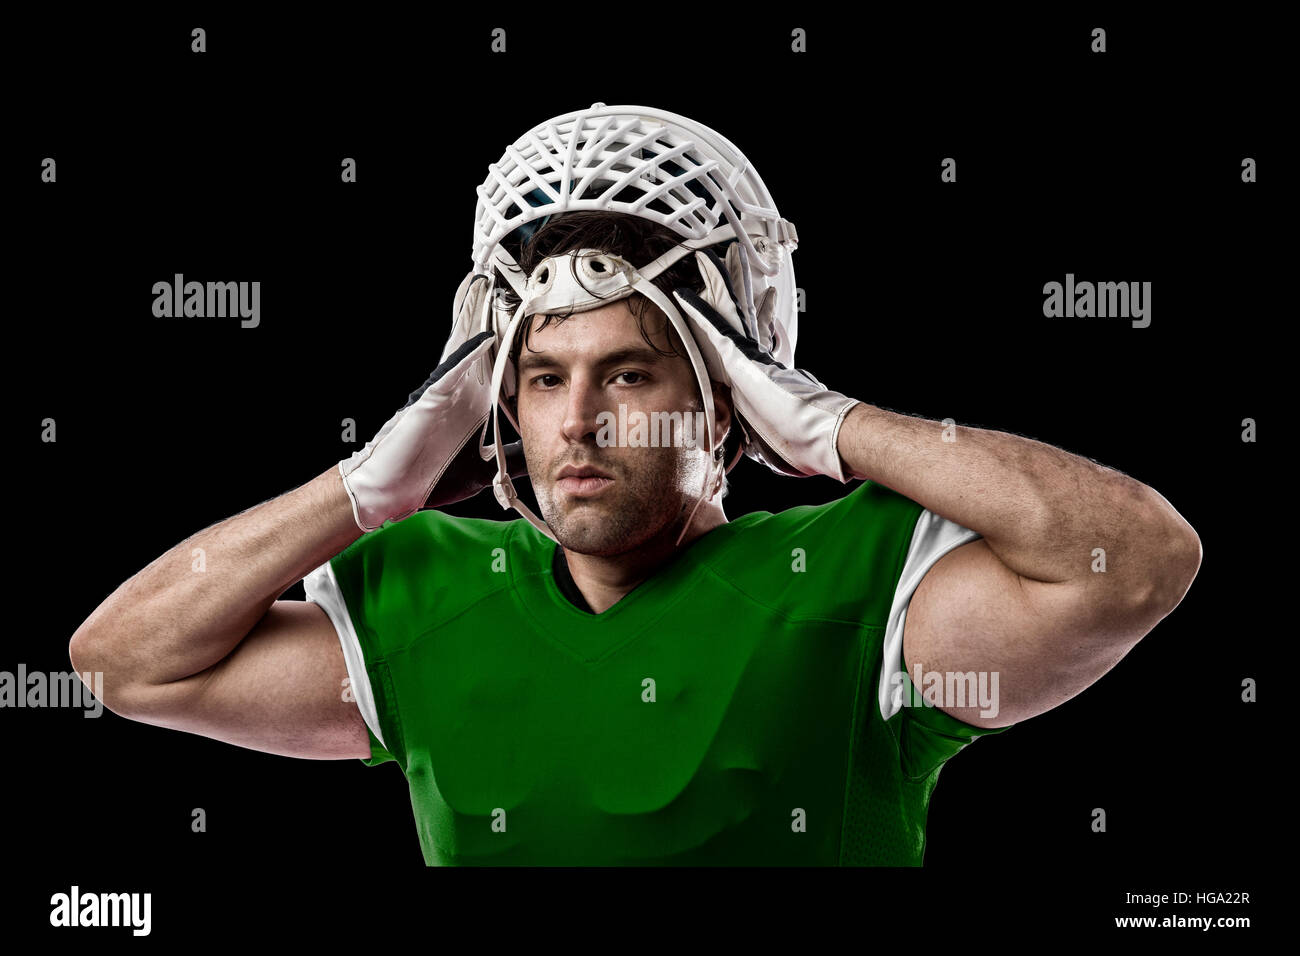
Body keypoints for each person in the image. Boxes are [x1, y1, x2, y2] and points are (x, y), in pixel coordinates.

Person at [68, 105, 1201, 865]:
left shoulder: (849, 580)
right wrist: (365, 489)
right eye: (543, 375)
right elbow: (118, 661)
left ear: (719, 399)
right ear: (493, 402)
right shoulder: (425, 590)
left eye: (627, 370)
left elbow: (1137, 560)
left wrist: (831, 423)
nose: (579, 420)